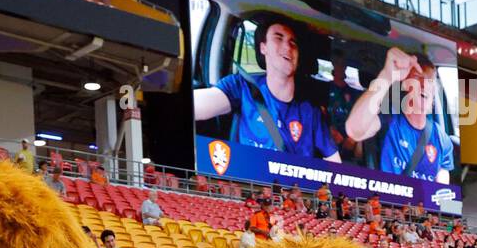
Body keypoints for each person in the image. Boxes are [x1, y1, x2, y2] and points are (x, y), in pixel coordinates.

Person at [193, 13, 340, 161]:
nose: (287, 46)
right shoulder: (241, 87)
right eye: (278, 37)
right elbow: (196, 105)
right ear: (263, 47)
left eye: (293, 42)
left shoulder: (311, 109)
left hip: (295, 184)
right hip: (251, 181)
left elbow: (335, 163)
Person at [345, 48, 454, 183]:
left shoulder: (442, 139)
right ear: (403, 86)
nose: (424, 85)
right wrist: (387, 76)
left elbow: (443, 194)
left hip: (422, 203)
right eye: (417, 78)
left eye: (429, 81)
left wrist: (456, 205)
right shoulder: (388, 118)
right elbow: (354, 130)